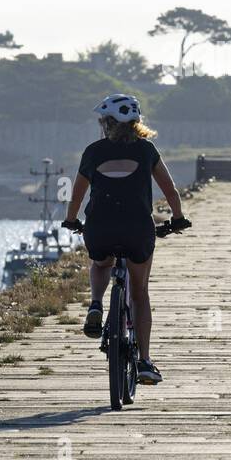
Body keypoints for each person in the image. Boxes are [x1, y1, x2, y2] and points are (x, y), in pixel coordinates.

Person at [61, 93, 188, 385]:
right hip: (137, 229)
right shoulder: (147, 151)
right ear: (136, 123)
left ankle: (95, 304)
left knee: (101, 263)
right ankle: (144, 361)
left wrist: (71, 220)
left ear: (106, 123)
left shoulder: (93, 151)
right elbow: (170, 192)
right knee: (140, 291)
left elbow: (78, 194)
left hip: (100, 228)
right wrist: (178, 218)